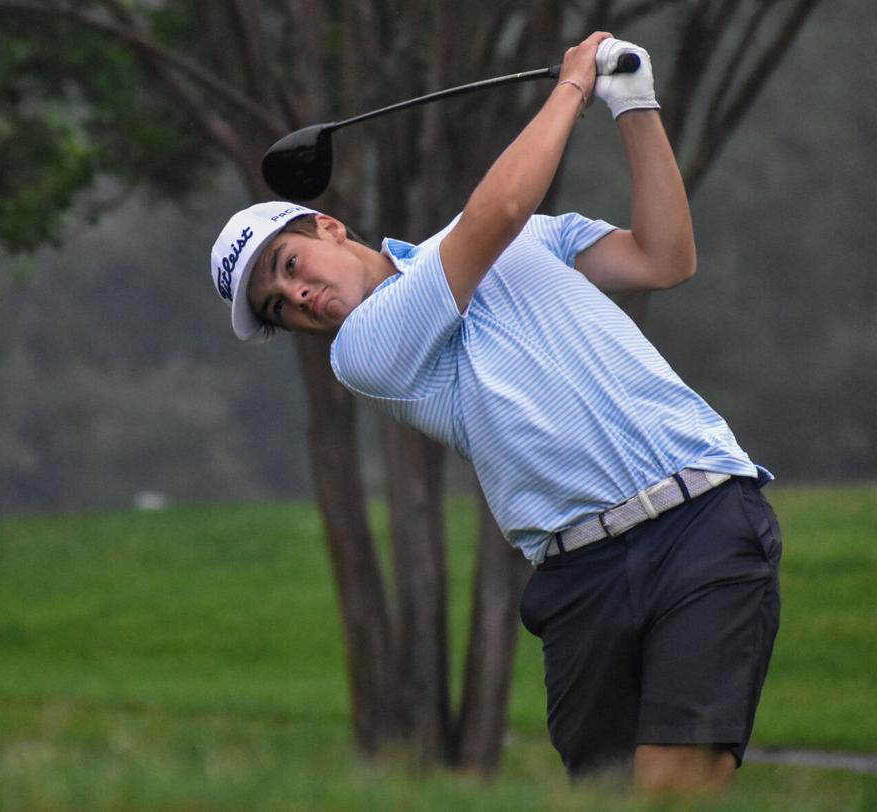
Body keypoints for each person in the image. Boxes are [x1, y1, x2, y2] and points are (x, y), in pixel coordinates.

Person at [207, 32, 780, 794]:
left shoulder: (524, 238)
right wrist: (573, 88)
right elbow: (500, 207)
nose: (301, 298)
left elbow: (663, 258)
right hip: (582, 578)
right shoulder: (365, 352)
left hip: (703, 518)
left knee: (672, 789)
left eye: (289, 267)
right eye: (281, 308)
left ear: (329, 227)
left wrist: (634, 103)